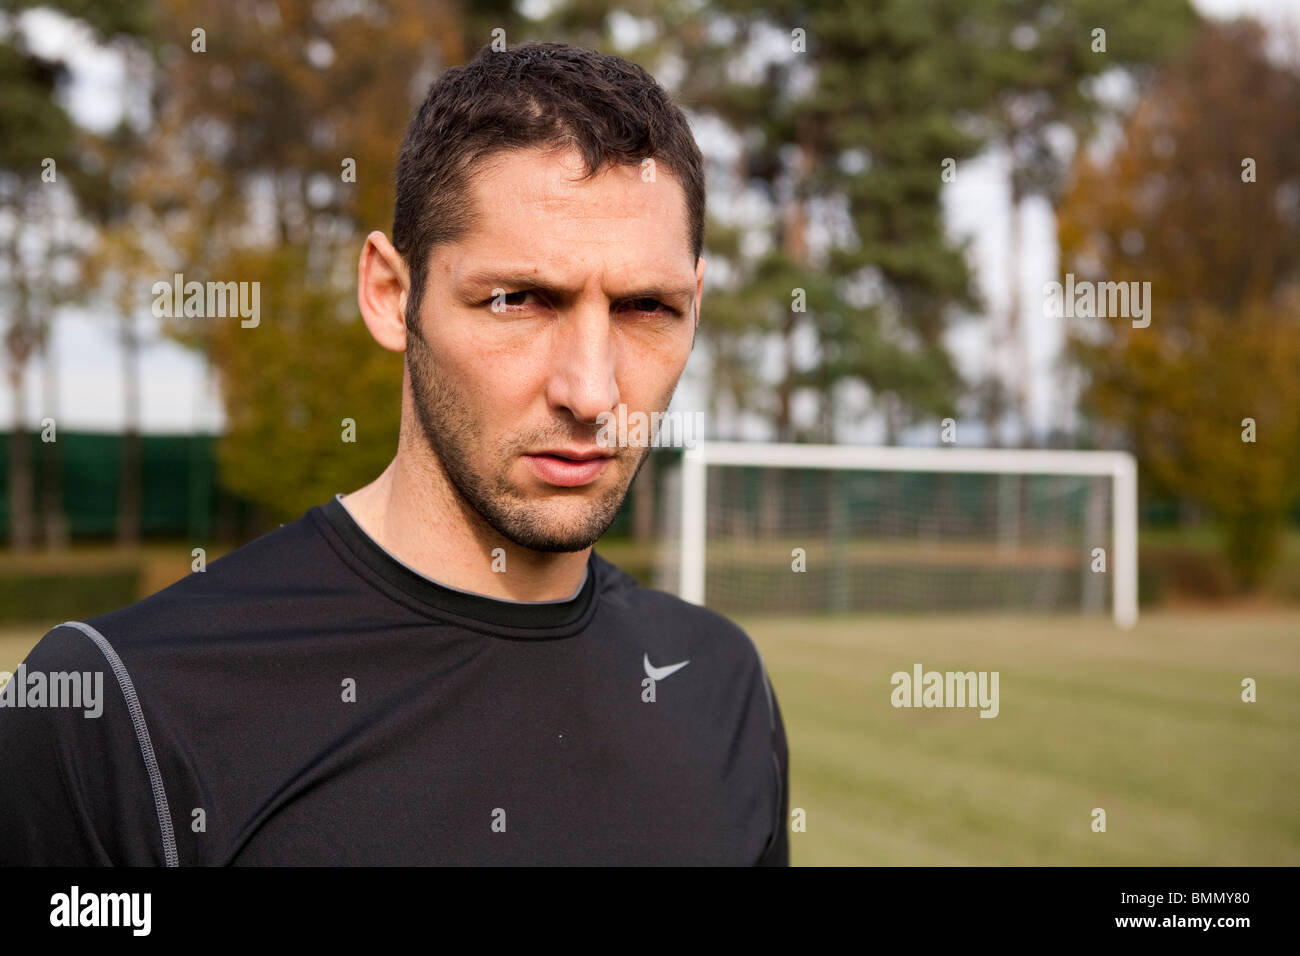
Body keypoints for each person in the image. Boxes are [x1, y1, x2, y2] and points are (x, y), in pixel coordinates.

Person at [0, 41, 788, 866]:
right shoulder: (115, 710)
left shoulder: (724, 685)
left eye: (646, 308)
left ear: (695, 304)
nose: (592, 394)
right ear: (389, 294)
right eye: (516, 300)